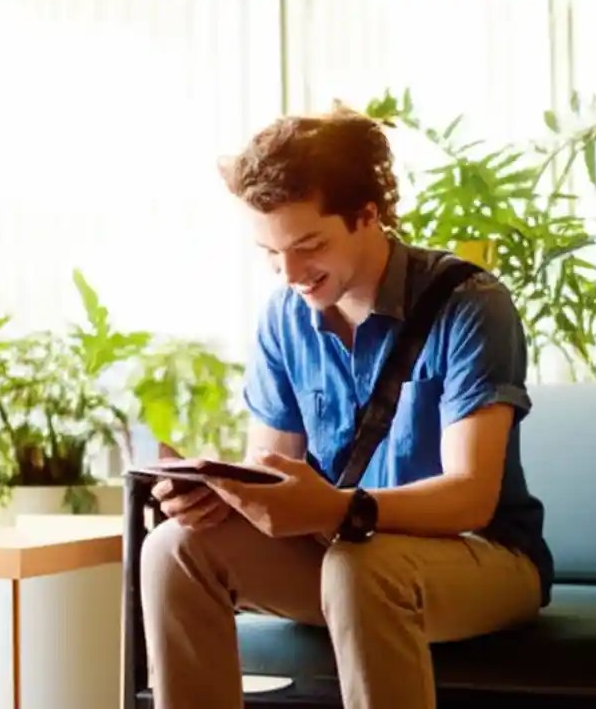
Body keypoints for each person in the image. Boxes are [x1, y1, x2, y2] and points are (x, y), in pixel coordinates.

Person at [139, 107, 554, 709]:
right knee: (174, 549)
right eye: (271, 253)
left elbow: (471, 496)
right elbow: (276, 476)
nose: (292, 274)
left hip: (486, 557)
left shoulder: (470, 304)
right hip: (343, 552)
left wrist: (336, 507)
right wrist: (226, 494)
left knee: (364, 567)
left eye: (309, 246)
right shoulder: (284, 319)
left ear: (369, 214)